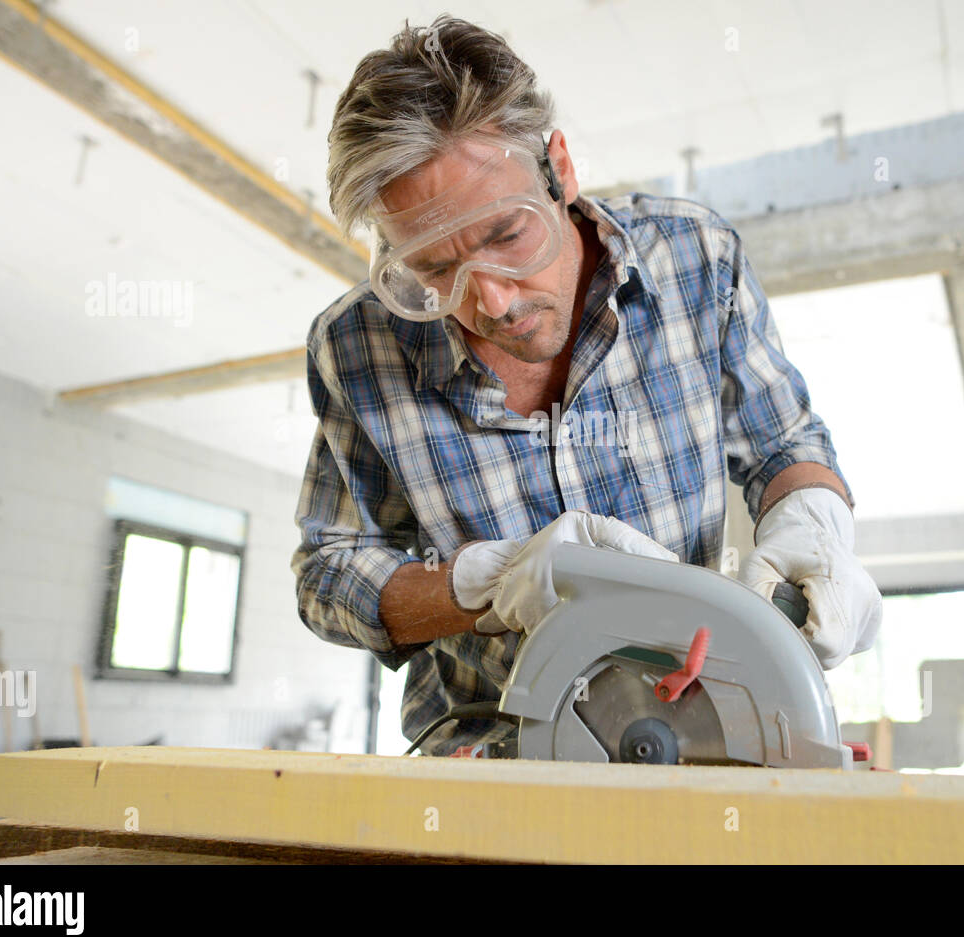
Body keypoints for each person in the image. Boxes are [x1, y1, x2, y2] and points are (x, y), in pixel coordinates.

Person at [292, 15, 882, 755]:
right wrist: (481, 586)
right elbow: (328, 572)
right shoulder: (357, 347)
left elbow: (784, 441)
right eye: (434, 271)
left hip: (696, 732)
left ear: (560, 170)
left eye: (507, 236)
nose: (492, 302)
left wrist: (816, 532)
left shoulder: (696, 260)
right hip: (487, 750)